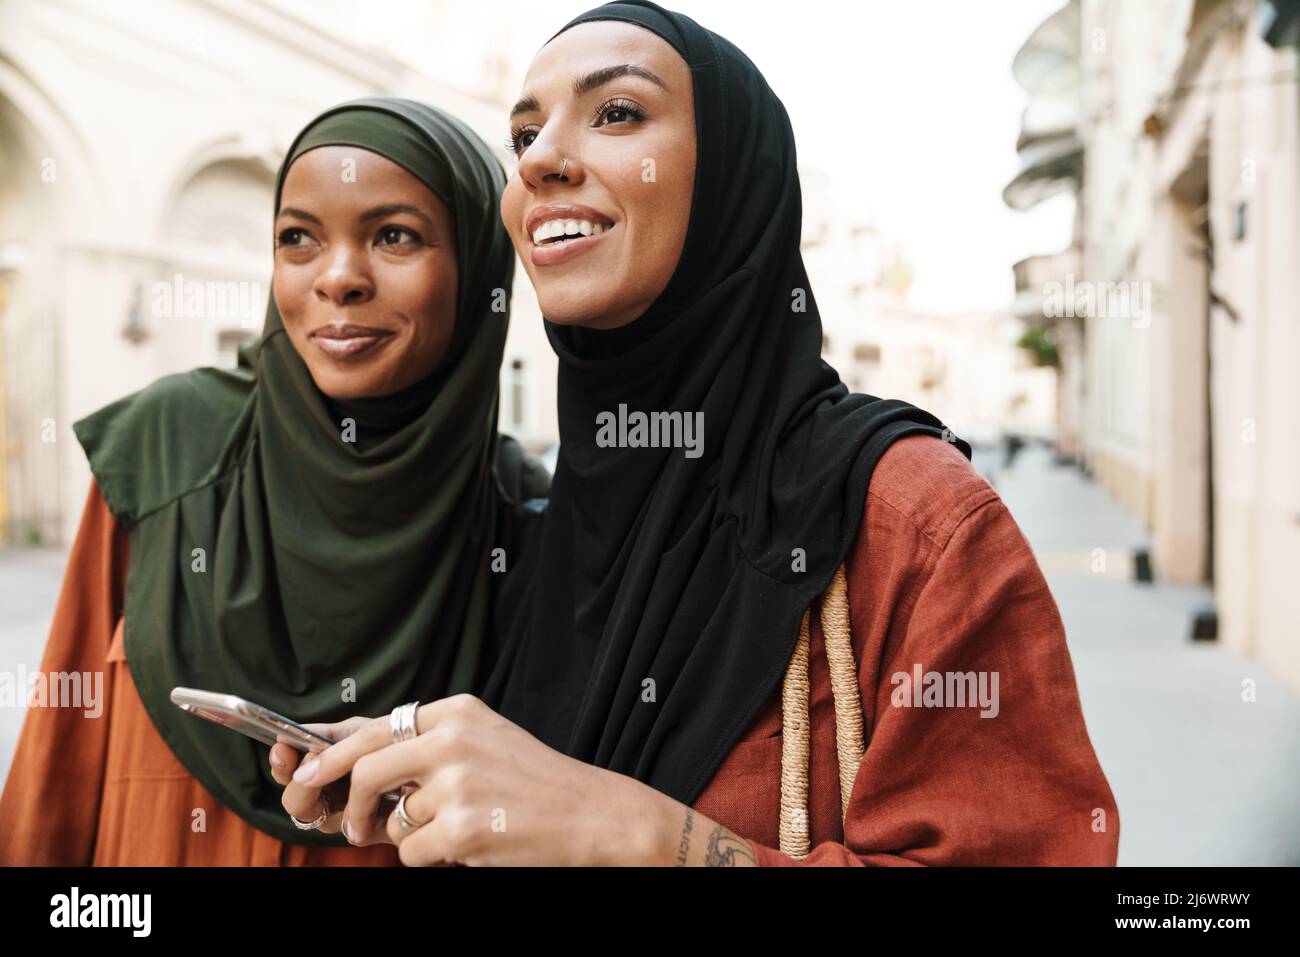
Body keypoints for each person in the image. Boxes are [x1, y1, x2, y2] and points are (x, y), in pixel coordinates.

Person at [271, 2, 1120, 867]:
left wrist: (639, 838)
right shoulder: (543, 522)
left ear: (728, 176)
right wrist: (431, 782)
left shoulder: (908, 521)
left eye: (617, 114)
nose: (541, 161)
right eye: (523, 134)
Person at [0, 97, 546, 865]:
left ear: (480, 267)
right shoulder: (171, 445)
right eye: (299, 239)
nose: (338, 278)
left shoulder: (525, 518)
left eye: (395, 235)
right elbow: (57, 760)